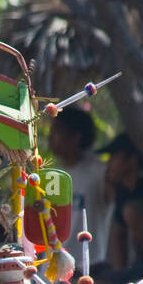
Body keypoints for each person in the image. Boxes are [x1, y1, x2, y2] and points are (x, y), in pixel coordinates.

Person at [48, 106, 112, 268]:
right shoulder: (53, 176)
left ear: (75, 137)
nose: (51, 138)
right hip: (51, 275)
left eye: (57, 132)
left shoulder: (100, 172)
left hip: (85, 271)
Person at [100, 133, 143, 274]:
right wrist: (119, 277)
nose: (108, 163)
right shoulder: (123, 190)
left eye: (114, 156)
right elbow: (118, 234)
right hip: (138, 266)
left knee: (130, 211)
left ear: (133, 160)